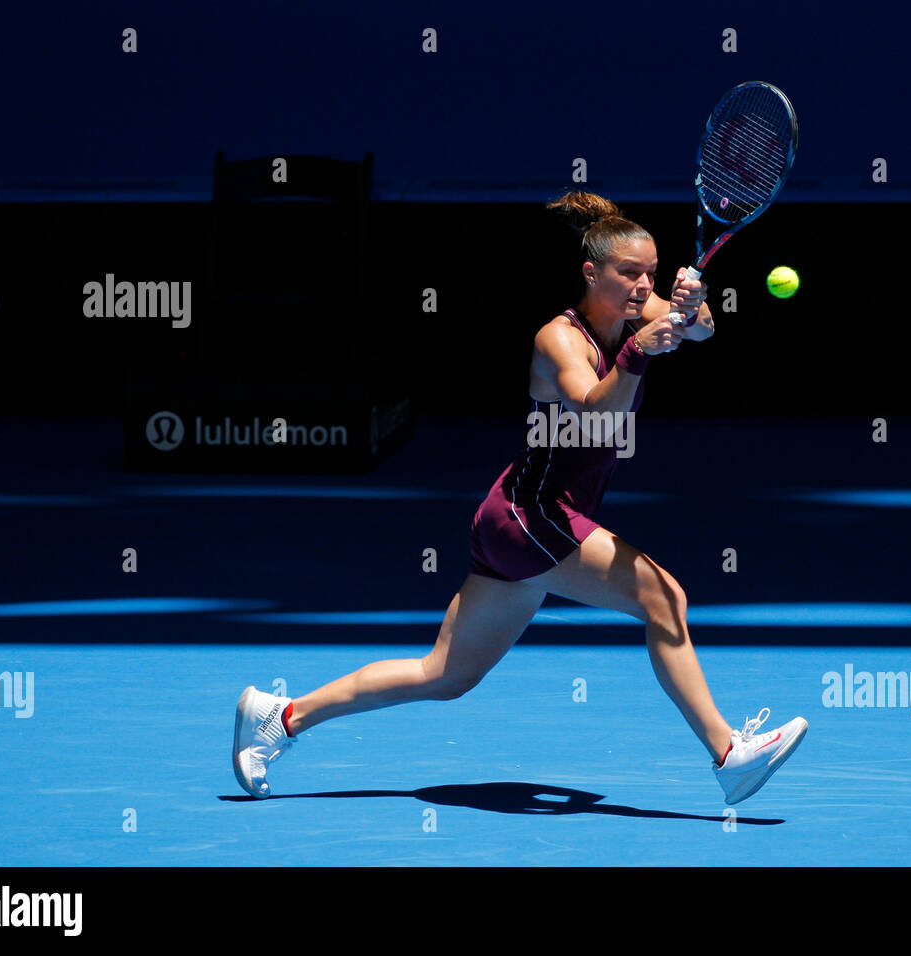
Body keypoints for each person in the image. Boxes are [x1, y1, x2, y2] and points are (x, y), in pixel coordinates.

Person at [232, 191, 806, 805]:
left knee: (444, 675)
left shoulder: (639, 310)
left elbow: (701, 331)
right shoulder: (558, 339)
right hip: (533, 518)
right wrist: (642, 352)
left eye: (653, 274)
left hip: (521, 517)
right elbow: (593, 407)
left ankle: (279, 717)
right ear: (593, 273)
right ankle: (728, 754)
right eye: (630, 273)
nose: (645, 286)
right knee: (665, 599)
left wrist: (693, 311)